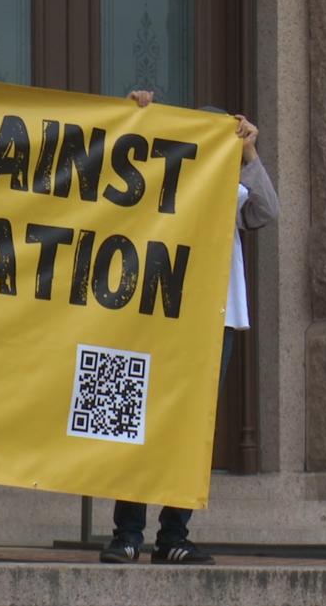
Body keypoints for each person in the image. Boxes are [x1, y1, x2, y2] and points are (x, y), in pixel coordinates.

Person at [99, 90, 280, 565]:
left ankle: (173, 533)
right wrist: (131, 118)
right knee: (134, 418)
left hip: (212, 319)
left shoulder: (227, 184)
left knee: (190, 427)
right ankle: (128, 532)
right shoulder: (155, 176)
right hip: (151, 313)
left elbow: (266, 210)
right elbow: (101, 176)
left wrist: (248, 153)